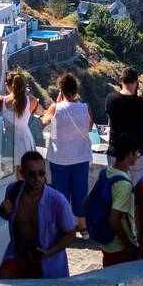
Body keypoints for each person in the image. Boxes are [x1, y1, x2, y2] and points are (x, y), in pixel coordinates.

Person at [0, 151, 77, 279]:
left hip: (47, 265)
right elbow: (6, 215)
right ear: (22, 174)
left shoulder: (57, 200)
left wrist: (48, 253)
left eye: (41, 173)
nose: (37, 178)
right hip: (17, 256)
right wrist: (2, 210)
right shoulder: (13, 190)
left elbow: (71, 233)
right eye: (32, 174)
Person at [42, 72, 93, 233]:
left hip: (60, 157)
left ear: (61, 90)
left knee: (61, 193)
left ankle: (63, 227)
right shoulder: (85, 108)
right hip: (81, 156)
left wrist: (56, 105)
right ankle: (84, 228)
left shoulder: (55, 107)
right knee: (80, 191)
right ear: (75, 91)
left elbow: (43, 123)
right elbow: (89, 127)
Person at [0, 70, 41, 169]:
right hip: (25, 139)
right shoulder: (31, 100)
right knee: (27, 169)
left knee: (13, 171)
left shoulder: (1, 100)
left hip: (8, 141)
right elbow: (41, 112)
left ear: (7, 85)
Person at [99, 132, 143, 267]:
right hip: (119, 248)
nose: (137, 157)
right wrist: (129, 246)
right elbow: (114, 219)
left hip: (106, 244)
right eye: (136, 153)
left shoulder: (106, 173)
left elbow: (86, 202)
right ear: (129, 154)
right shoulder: (124, 185)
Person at [106, 67, 143, 183]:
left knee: (117, 190)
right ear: (136, 82)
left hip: (116, 153)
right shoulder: (142, 102)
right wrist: (139, 98)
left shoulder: (111, 99)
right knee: (139, 192)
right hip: (137, 154)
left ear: (121, 80)